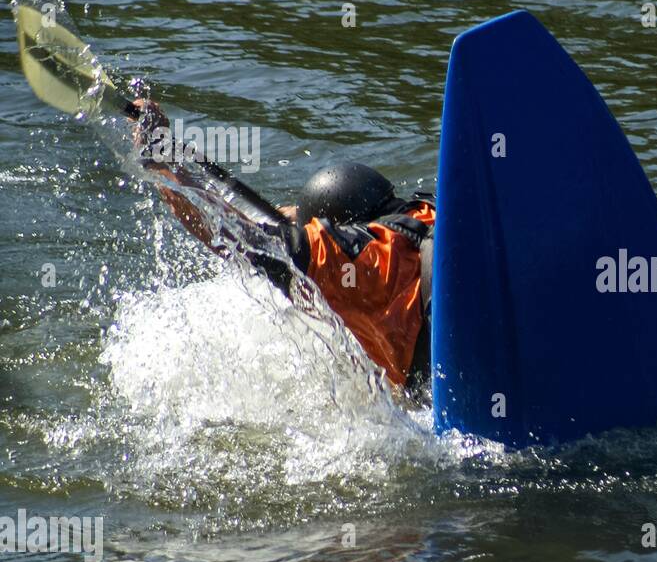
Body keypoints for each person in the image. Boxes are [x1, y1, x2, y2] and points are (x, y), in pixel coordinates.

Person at [130, 99, 435, 393]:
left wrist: (160, 163)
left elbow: (232, 235)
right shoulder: (422, 213)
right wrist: (295, 220)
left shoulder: (348, 259)